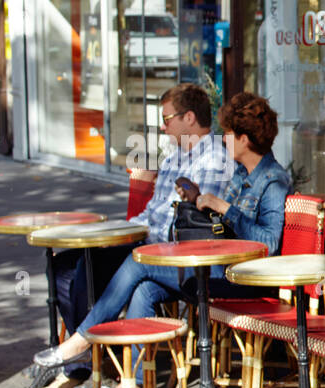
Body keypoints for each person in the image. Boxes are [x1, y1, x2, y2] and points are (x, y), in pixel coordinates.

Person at [31, 93, 292, 386]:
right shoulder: (244, 173)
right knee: (144, 287)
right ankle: (136, 384)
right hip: (217, 265)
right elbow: (223, 227)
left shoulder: (272, 180)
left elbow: (269, 244)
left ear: (244, 139)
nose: (223, 140)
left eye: (228, 135)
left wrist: (223, 208)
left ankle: (81, 342)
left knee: (137, 261)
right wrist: (200, 202)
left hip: (241, 278)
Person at [53, 84, 231, 337]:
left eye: (166, 119)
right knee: (63, 266)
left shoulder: (213, 159)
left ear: (189, 118)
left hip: (170, 254)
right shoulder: (174, 157)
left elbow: (197, 226)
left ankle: (84, 350)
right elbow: (150, 214)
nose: (162, 127)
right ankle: (89, 349)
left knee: (89, 265)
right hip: (147, 242)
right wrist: (116, 234)